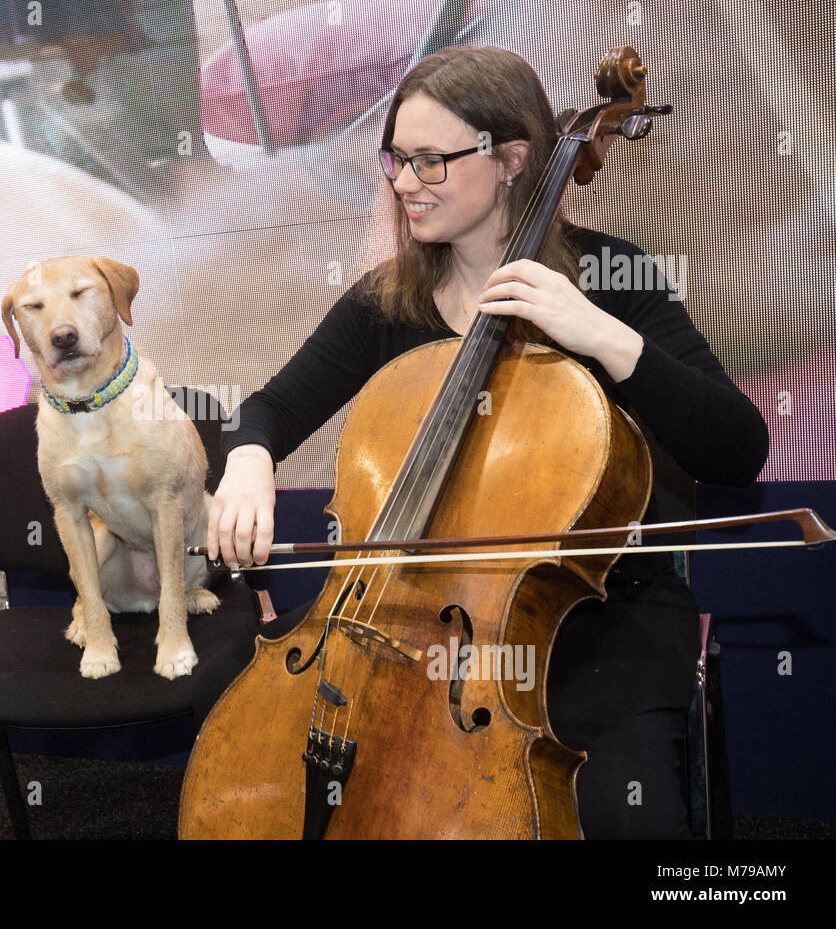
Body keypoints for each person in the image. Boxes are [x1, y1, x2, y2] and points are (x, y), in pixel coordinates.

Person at [199, 46, 769, 839]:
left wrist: (604, 337)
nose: (403, 183)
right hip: (404, 627)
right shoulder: (388, 302)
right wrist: (250, 460)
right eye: (396, 159)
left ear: (510, 159)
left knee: (619, 818)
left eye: (429, 162)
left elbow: (739, 449)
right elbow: (264, 409)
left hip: (595, 628)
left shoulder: (612, 278)